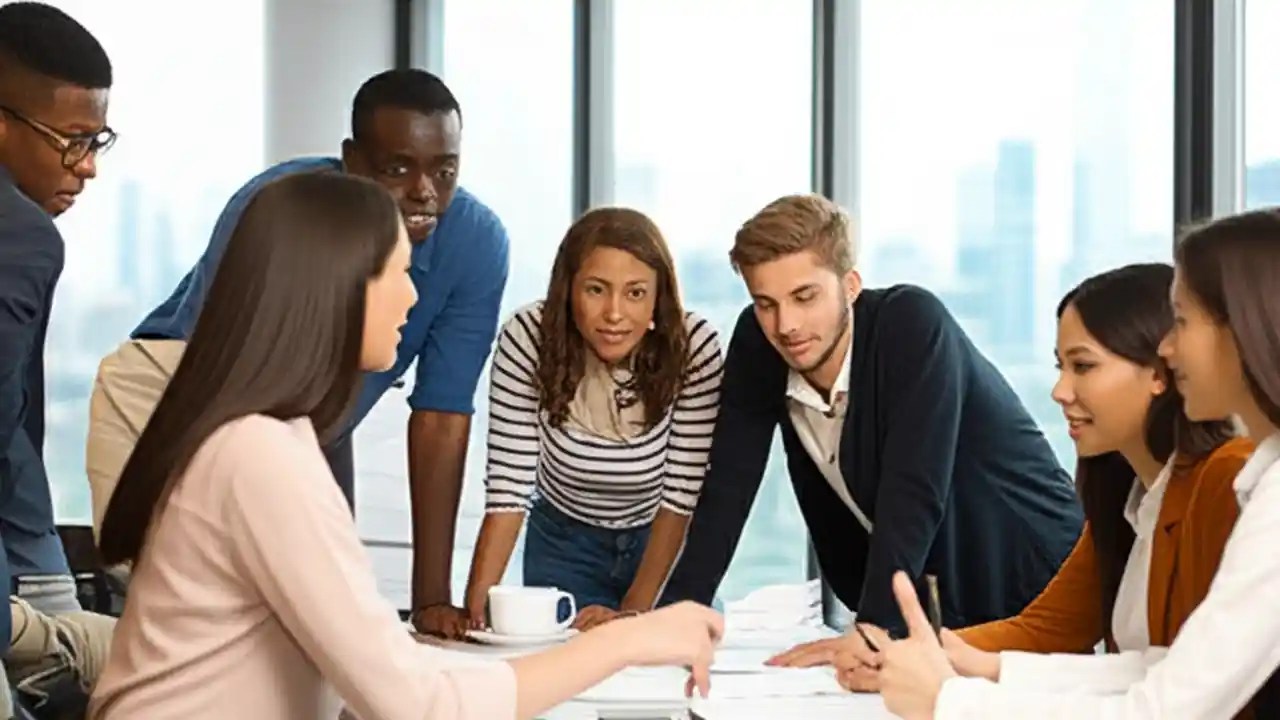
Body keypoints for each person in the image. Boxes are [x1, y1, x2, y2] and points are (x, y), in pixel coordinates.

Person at [88, 171, 723, 720]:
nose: (414, 296)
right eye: (396, 272)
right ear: (336, 289)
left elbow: (366, 672)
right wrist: (635, 640)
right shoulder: (260, 457)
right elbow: (418, 707)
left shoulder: (266, 440)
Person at [90, 68, 509, 638]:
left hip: (305, 423)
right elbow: (232, 381)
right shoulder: (283, 208)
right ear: (353, 162)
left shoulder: (475, 240)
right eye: (397, 168)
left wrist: (430, 601)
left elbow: (441, 415)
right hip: (174, 394)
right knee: (202, 622)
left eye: (445, 170)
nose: (425, 191)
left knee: (320, 624)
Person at [872, 209, 1280, 720]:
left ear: (1243, 326)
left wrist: (952, 701)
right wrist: (971, 665)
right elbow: (1160, 665)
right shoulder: (1140, 494)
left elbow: (1170, 707)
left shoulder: (1244, 486)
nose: (1169, 349)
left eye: (1181, 321)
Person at [660, 193, 1084, 659]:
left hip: (1032, 574)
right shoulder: (759, 346)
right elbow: (728, 486)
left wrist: (871, 632)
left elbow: (913, 492)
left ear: (850, 285)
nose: (786, 325)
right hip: (927, 599)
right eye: (766, 303)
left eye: (805, 297)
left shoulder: (910, 325)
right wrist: (678, 615)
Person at [462, 208, 723, 631]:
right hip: (563, 544)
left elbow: (681, 496)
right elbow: (509, 490)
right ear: (568, 291)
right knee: (562, 670)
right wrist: (477, 611)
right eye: (596, 290)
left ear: (659, 296)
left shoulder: (695, 347)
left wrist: (633, 615)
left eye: (636, 293)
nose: (614, 314)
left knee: (668, 667)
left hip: (660, 541)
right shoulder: (527, 338)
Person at [0, 4, 119, 714]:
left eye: (98, 139)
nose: (89, 167)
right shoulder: (20, 234)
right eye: (72, 141)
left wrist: (40, 570)